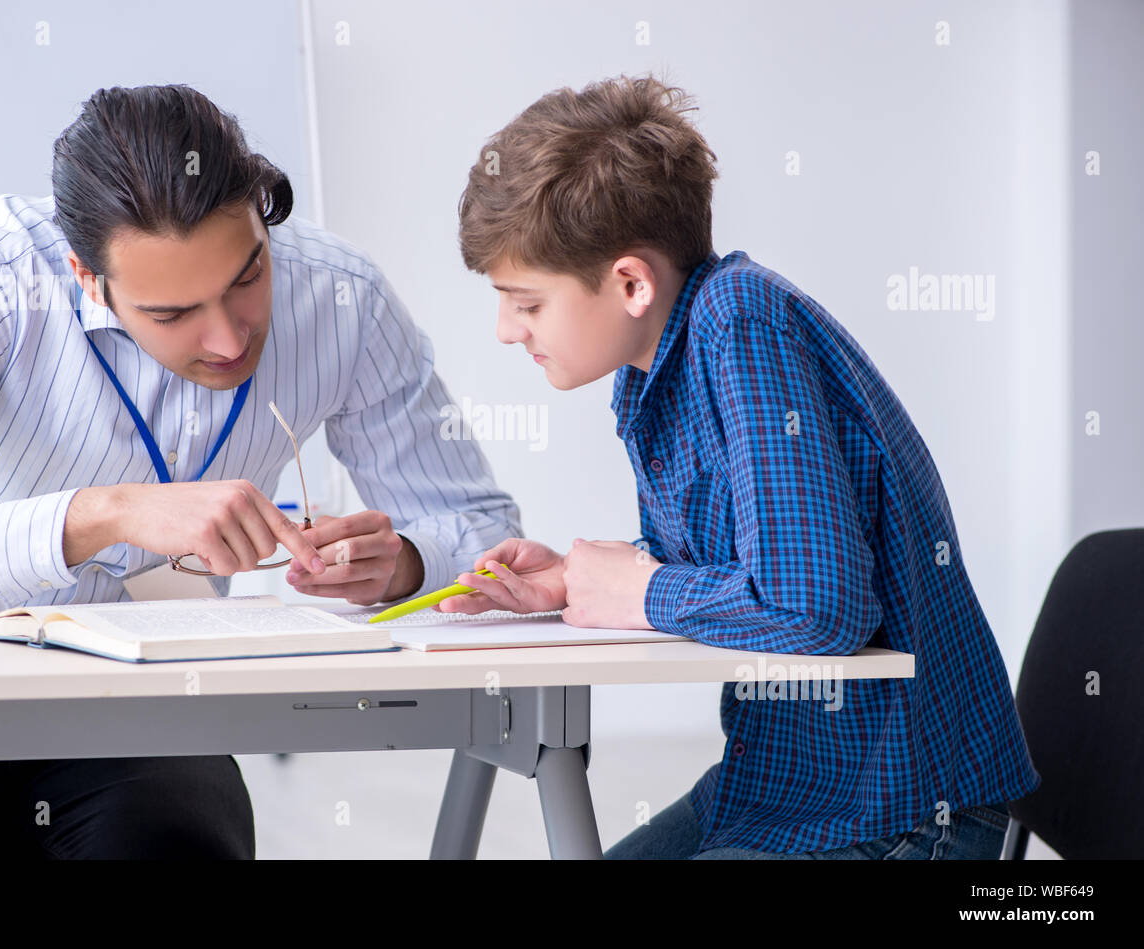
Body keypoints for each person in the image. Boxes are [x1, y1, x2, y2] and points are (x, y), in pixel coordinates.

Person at [0, 84, 521, 858]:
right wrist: (105, 513)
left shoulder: (344, 300)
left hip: (143, 716)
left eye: (247, 277)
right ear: (86, 276)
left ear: (263, 216)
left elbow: (488, 534)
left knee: (172, 842)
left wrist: (404, 562)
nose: (230, 340)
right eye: (171, 315)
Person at [442, 74, 1038, 859]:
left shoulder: (741, 320)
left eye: (526, 302)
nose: (505, 330)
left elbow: (818, 610)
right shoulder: (650, 372)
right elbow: (744, 573)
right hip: (777, 787)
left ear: (629, 282)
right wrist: (577, 581)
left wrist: (641, 589)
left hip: (901, 813)